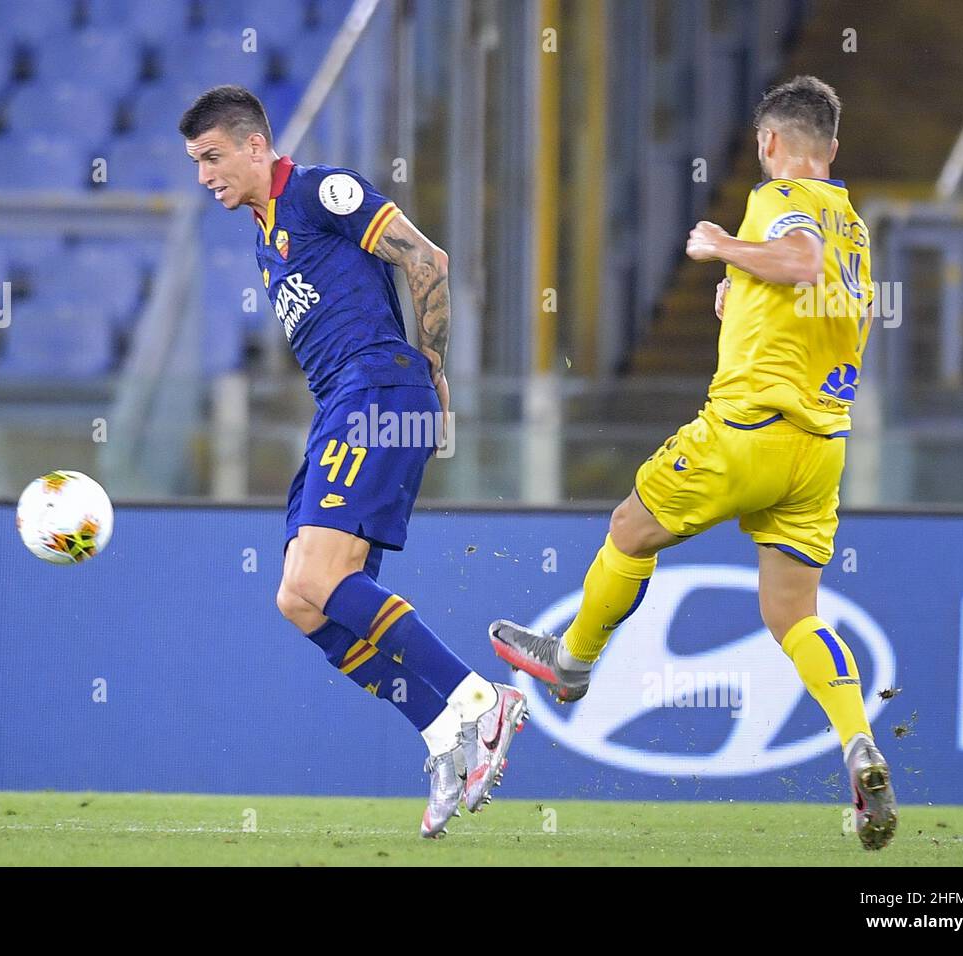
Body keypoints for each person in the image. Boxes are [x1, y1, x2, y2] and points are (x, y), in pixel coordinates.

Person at [490, 76, 897, 850]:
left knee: (629, 527)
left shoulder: (782, 197)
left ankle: (572, 664)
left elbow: (799, 263)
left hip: (748, 431)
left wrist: (723, 247)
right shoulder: (854, 223)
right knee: (793, 615)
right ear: (834, 148)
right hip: (818, 452)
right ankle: (856, 742)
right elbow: (830, 299)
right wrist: (741, 291)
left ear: (770, 143)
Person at [181, 85, 526, 839]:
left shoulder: (315, 192)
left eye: (212, 157)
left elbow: (426, 260)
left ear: (254, 146)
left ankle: (479, 701)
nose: (205, 175)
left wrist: (430, 365)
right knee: (298, 600)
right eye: (195, 163)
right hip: (343, 404)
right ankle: (442, 731)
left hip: (378, 390)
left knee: (318, 579)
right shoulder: (267, 234)